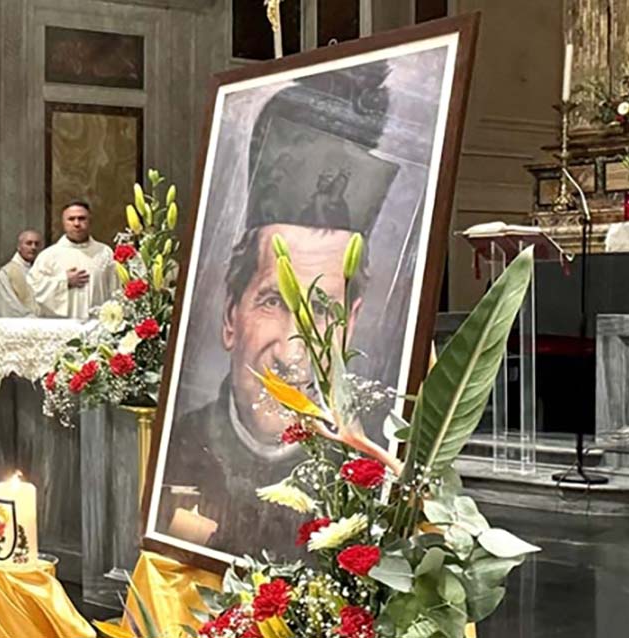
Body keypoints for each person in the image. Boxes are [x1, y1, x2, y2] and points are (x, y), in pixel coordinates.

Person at [157, 72, 393, 558]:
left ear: (352, 324)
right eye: (273, 302)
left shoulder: (382, 458)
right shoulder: (179, 449)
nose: (292, 351)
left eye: (320, 312)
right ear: (229, 315)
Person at [28, 201, 116, 319]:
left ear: (90, 221)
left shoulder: (105, 253)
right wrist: (64, 281)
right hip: (62, 327)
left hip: (98, 326)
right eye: (71, 219)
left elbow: (116, 290)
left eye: (82, 218)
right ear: (63, 223)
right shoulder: (48, 256)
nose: (77, 223)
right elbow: (33, 290)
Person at [0, 229, 43, 318]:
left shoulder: (43, 270)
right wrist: (32, 319)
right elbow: (8, 305)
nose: (33, 247)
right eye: (29, 243)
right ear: (19, 246)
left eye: (37, 244)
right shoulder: (7, 272)